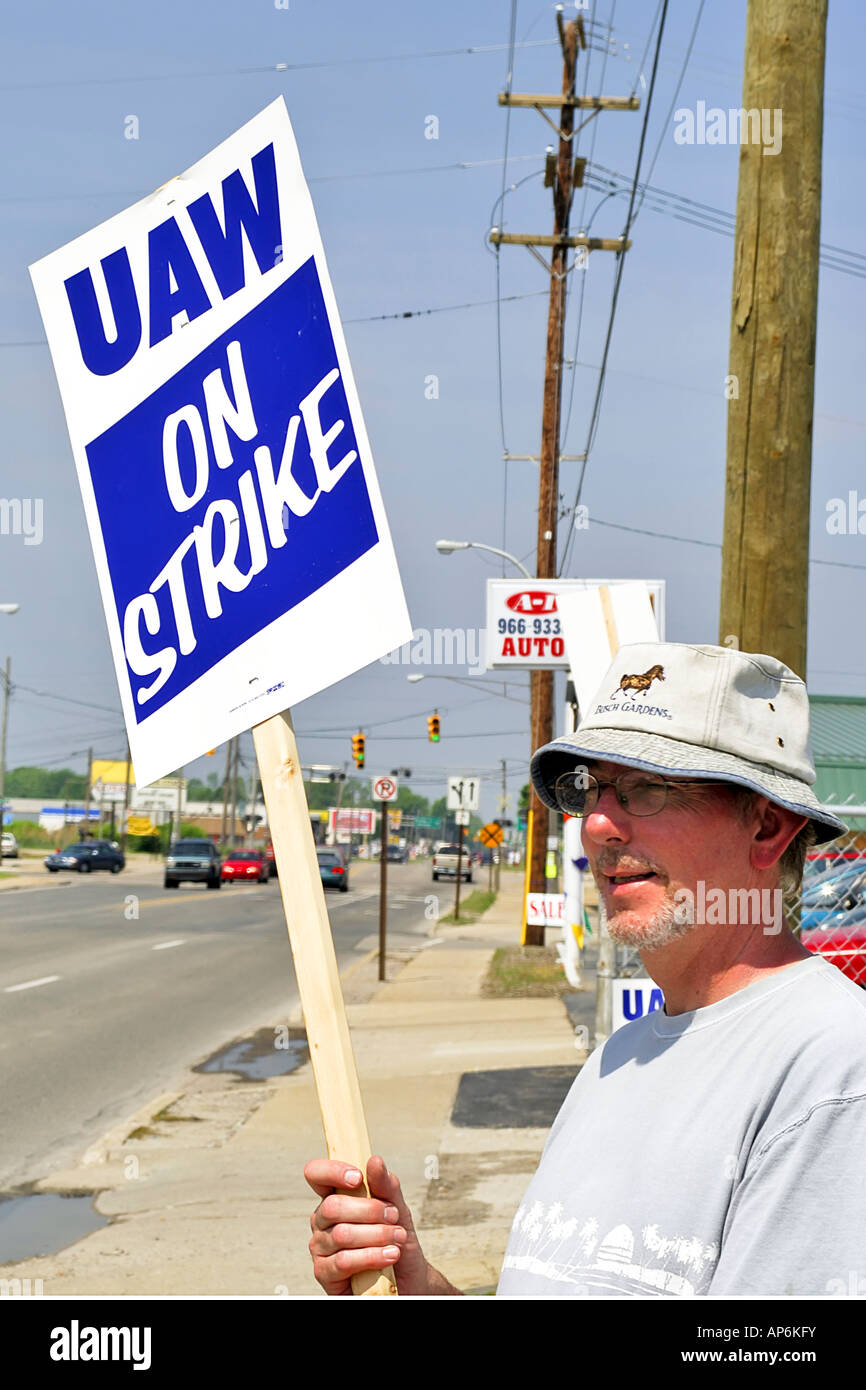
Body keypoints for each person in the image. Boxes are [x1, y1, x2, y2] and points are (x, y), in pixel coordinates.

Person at [306, 642, 866, 1297]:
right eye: (591, 788)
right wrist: (417, 1284)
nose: (596, 823)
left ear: (768, 828)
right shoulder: (619, 1057)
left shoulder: (832, 1072)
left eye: (648, 788)